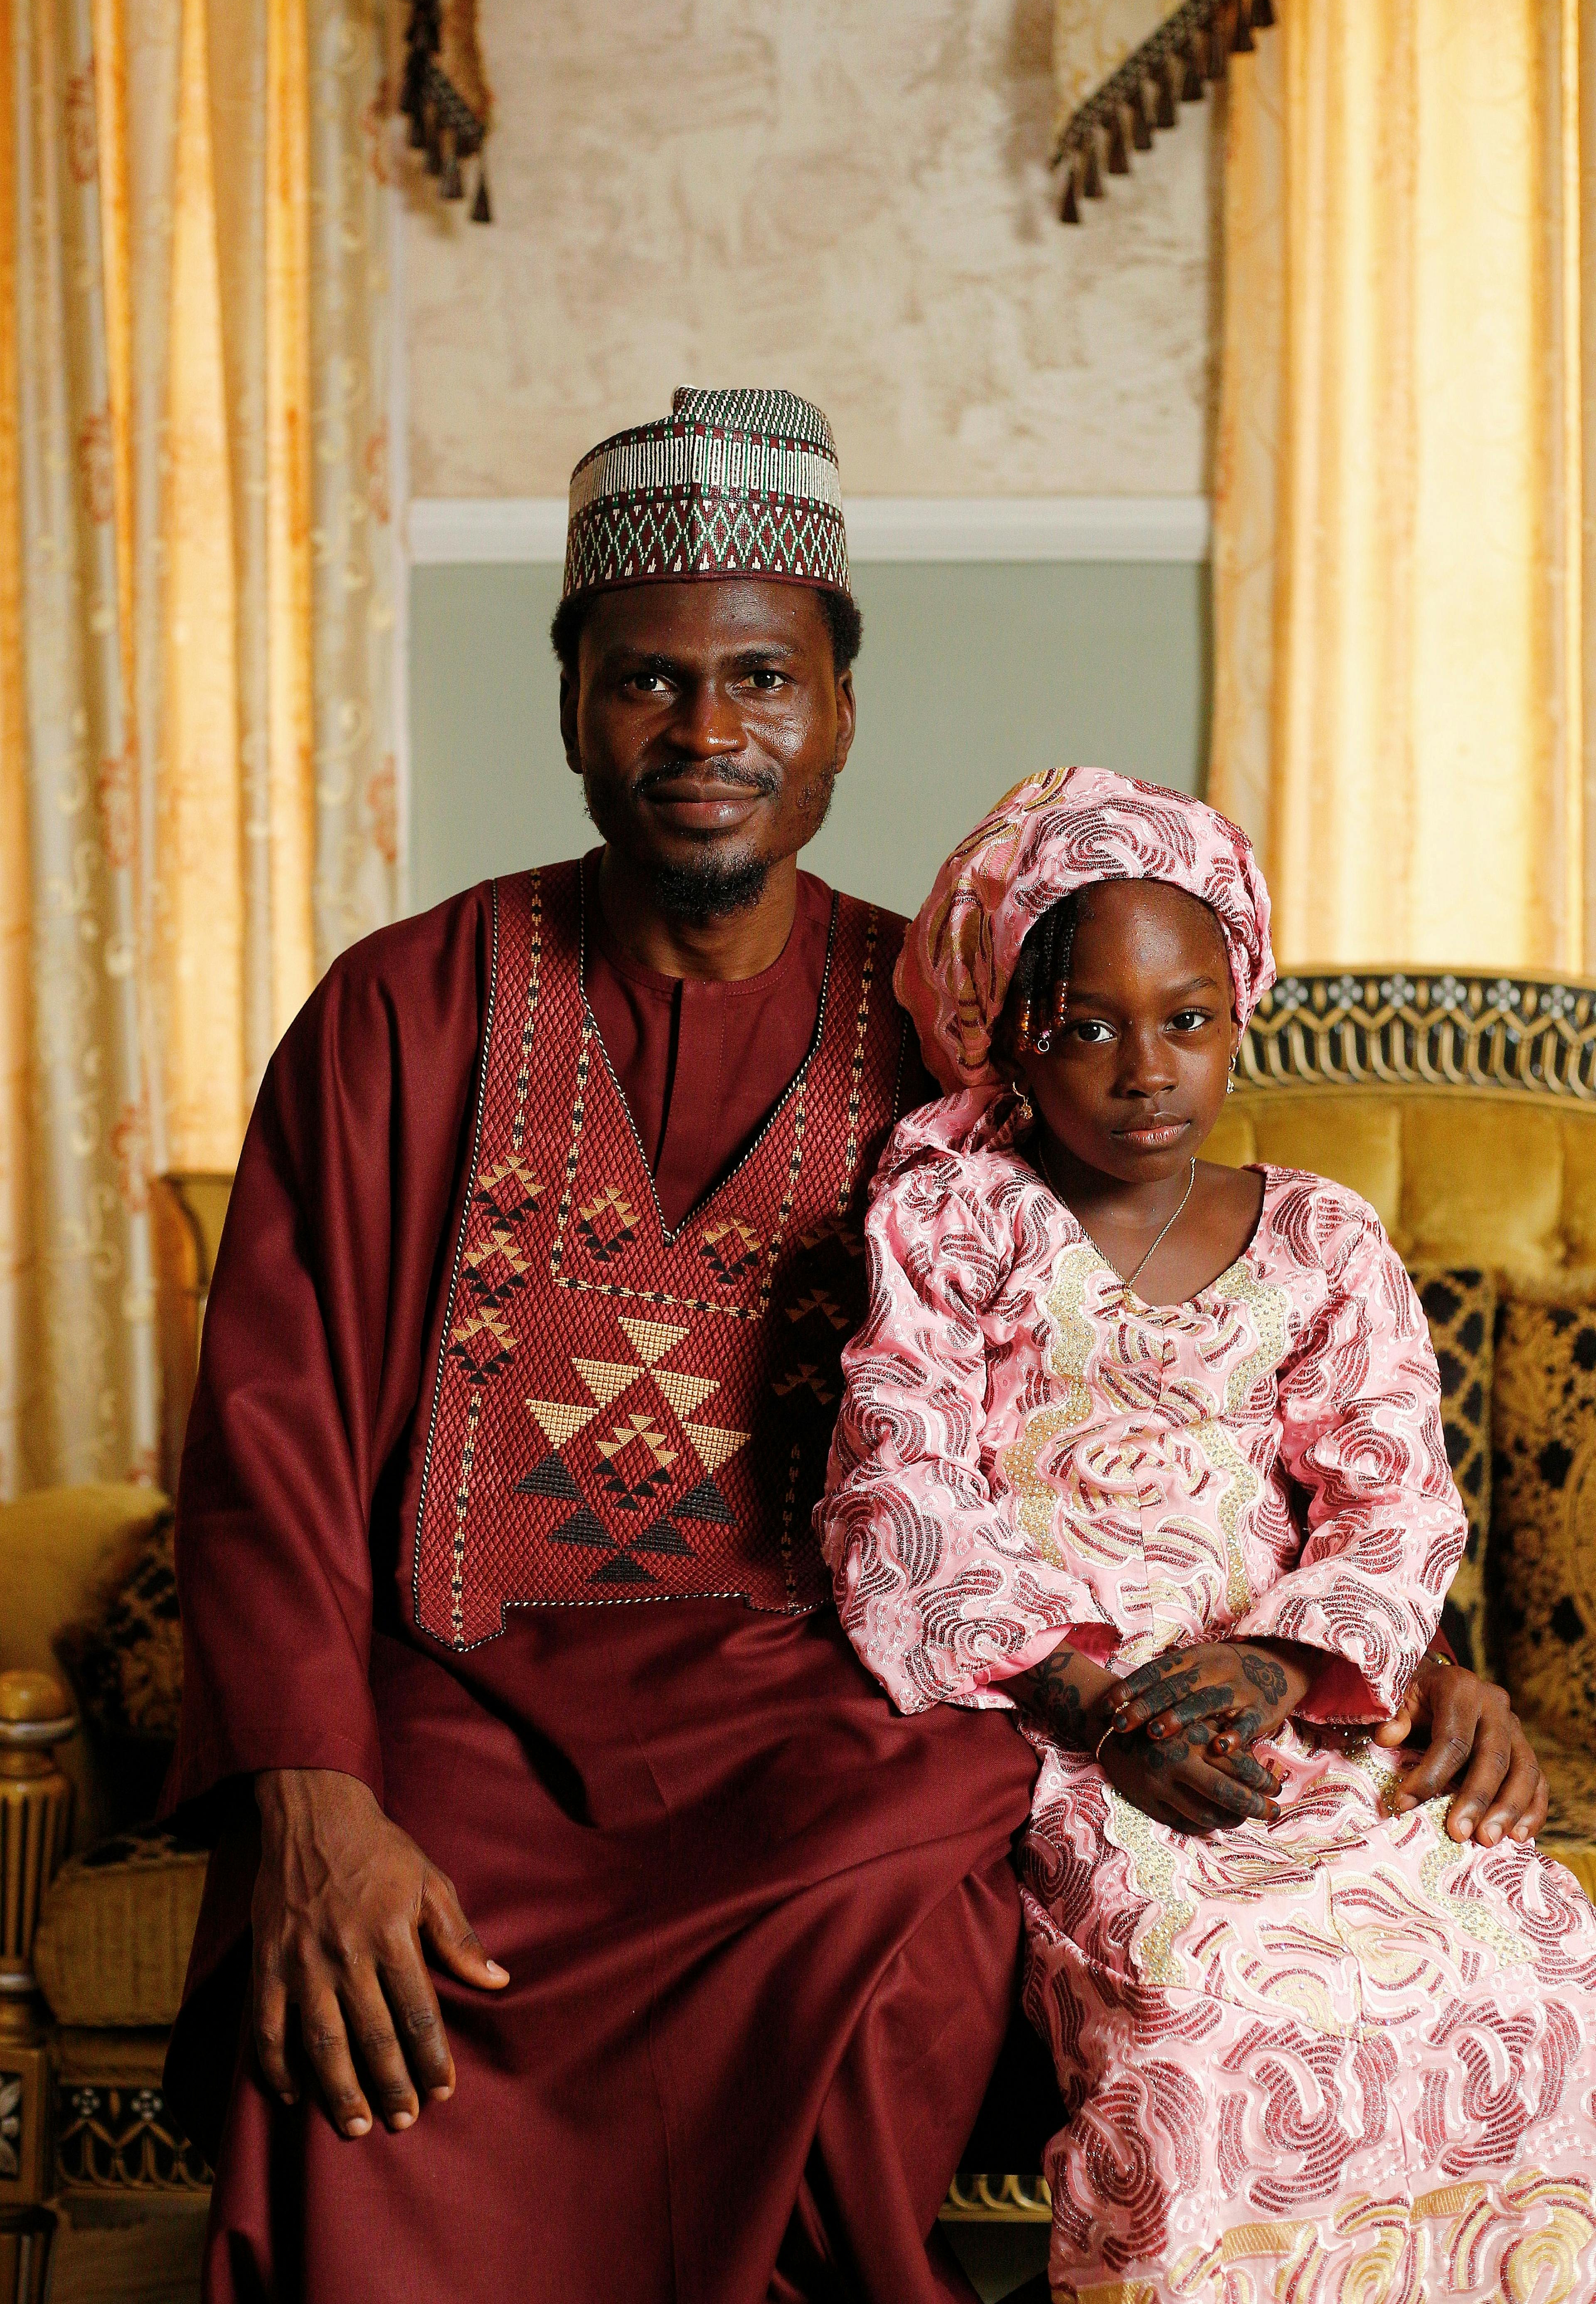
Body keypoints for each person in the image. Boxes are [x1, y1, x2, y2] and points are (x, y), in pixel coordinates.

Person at [162, 386, 1549, 2304]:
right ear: (570, 704)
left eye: (761, 680)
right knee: (378, 1979)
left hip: (832, 1706)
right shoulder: (399, 1015)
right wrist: (313, 1795)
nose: (705, 734)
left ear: (838, 714)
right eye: (648, 682)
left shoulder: (961, 1031)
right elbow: (269, 1440)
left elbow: (1160, 1387)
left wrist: (1386, 1663)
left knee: (925, 1869)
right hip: (468, 1702)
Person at [820, 767, 1596, 2304]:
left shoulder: (1321, 1236)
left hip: (1299, 1706)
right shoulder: (956, 1217)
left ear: (1240, 1011)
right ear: (1007, 1034)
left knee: (1534, 1942)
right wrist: (1099, 1708)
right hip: (1068, 1718)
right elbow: (901, 1489)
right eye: (1085, 1028)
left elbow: (1392, 1498)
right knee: (1204, 1996)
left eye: (1187, 1019)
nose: (1146, 1071)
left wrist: (1280, 1669)